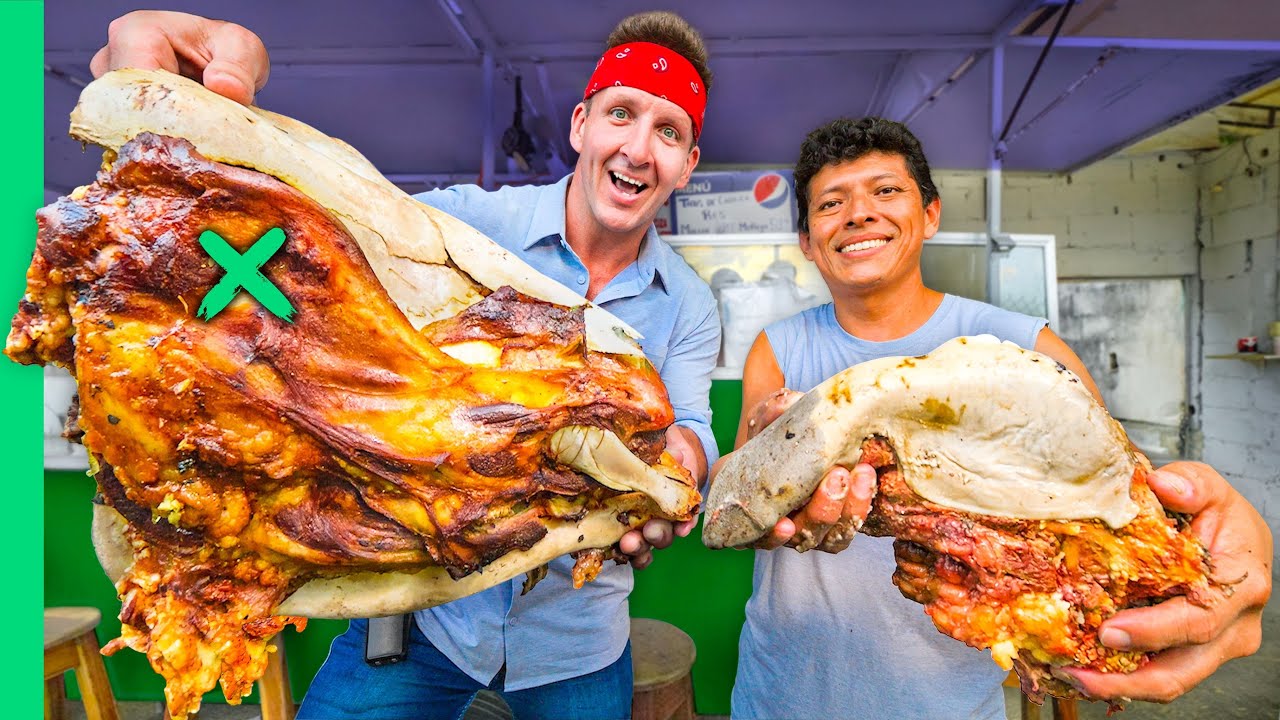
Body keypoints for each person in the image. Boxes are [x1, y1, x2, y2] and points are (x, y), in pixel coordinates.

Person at [91, 10, 721, 719]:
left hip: (576, 640)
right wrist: (197, 120)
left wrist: (675, 473)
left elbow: (691, 424)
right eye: (622, 114)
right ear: (581, 124)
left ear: (689, 163)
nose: (639, 148)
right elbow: (313, 227)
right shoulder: (461, 227)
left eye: (669, 131)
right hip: (420, 628)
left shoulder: (689, 304)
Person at [715, 116, 1273, 719]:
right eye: (831, 202)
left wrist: (1215, 546)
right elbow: (739, 488)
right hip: (786, 689)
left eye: (885, 191)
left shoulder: (1024, 347)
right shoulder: (779, 347)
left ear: (931, 214)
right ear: (807, 240)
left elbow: (1120, 498)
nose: (858, 213)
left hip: (947, 702)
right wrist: (752, 486)